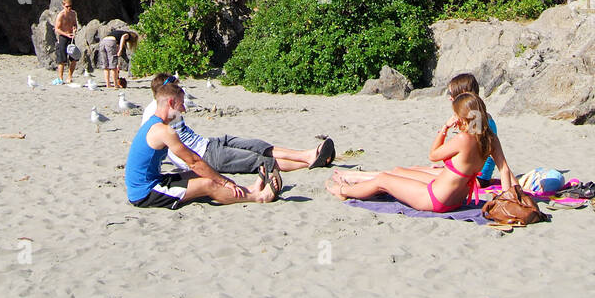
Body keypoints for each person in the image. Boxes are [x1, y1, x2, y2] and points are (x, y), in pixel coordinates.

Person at [326, 88, 518, 211]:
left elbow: (433, 155)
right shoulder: (491, 139)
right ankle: (353, 184)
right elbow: (505, 170)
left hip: (436, 199)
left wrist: (443, 129)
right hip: (457, 200)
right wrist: (509, 201)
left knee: (384, 180)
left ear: (461, 118)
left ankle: (343, 190)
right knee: (401, 173)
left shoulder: (463, 139)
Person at [124, 79, 281, 209]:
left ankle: (248, 190)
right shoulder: (163, 130)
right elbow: (193, 161)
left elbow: (196, 166)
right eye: (181, 104)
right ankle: (259, 197)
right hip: (145, 193)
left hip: (154, 180)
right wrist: (224, 181)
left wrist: (220, 179)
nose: (184, 109)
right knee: (208, 183)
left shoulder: (154, 123)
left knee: (203, 174)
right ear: (171, 102)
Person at [143, 75, 335, 175]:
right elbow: (151, 146)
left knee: (257, 145)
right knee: (256, 160)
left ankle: (307, 154)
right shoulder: (154, 113)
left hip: (209, 143)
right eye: (177, 89)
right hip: (205, 156)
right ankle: (308, 163)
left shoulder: (169, 107)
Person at [53, 0, 79, 84]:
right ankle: (60, 78)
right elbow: (57, 29)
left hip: (71, 37)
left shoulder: (73, 14)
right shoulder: (61, 15)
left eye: (70, 6)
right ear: (63, 6)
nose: (69, 8)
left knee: (74, 57)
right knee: (62, 59)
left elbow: (75, 24)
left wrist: (75, 28)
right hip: (63, 37)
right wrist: (66, 34)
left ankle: (70, 76)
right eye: (67, 6)